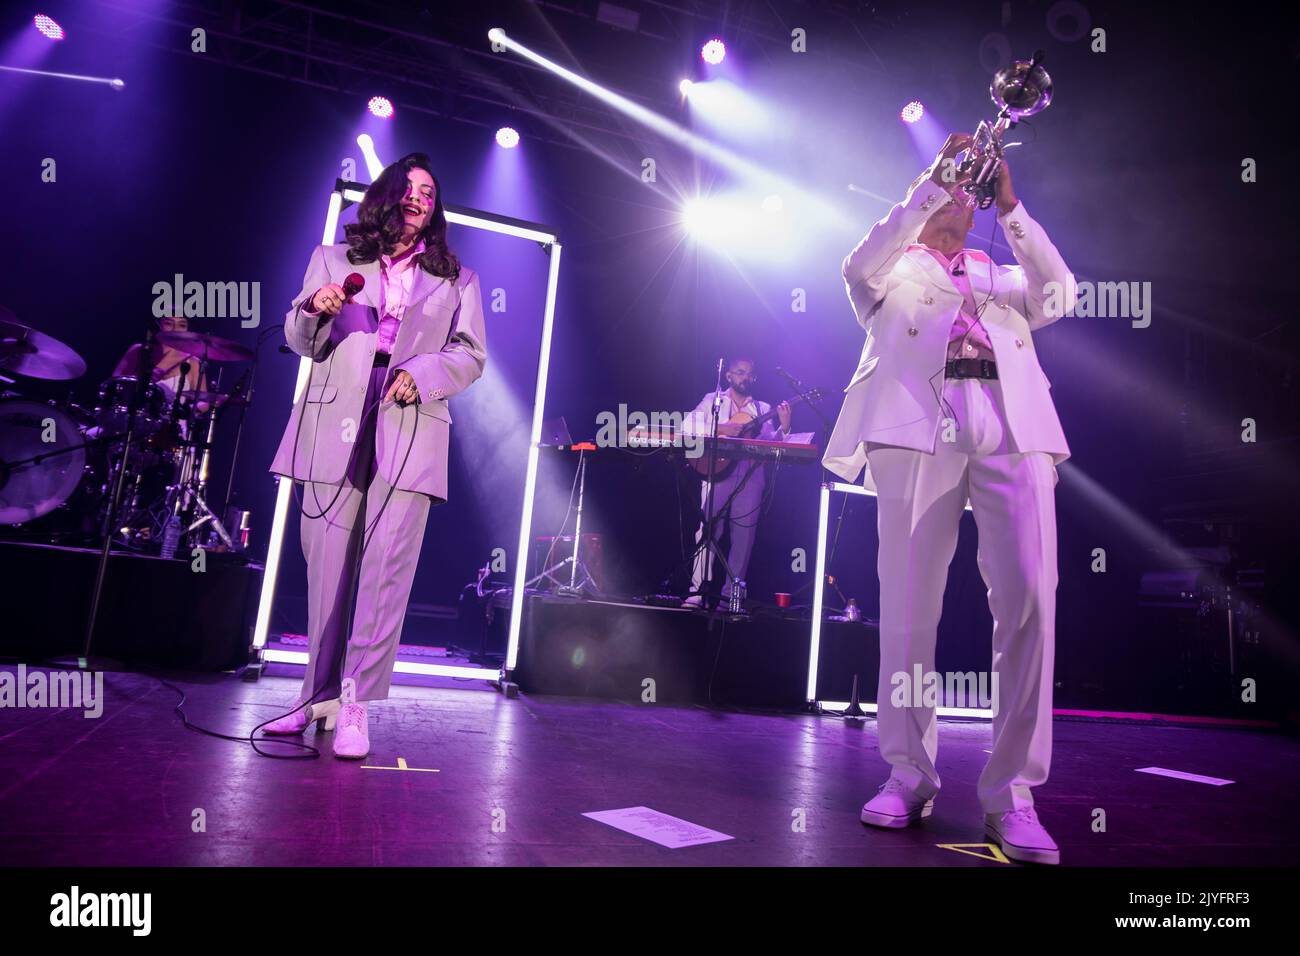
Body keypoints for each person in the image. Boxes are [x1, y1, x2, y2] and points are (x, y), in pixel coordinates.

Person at [822, 133, 1077, 863]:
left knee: (1030, 597)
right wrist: (932, 181)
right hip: (914, 425)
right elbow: (855, 262)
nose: (964, 196)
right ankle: (908, 773)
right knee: (907, 605)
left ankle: (1013, 796)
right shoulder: (890, 268)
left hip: (1010, 423)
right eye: (952, 189)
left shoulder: (1000, 272)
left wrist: (1013, 206)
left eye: (970, 190)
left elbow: (1060, 295)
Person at [263, 152, 487, 759]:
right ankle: (316, 699)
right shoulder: (335, 259)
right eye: (409, 187)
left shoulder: (457, 278)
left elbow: (470, 353)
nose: (419, 197)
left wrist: (424, 370)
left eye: (429, 191)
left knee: (385, 572)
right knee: (326, 573)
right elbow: (300, 338)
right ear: (387, 196)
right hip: (335, 418)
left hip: (410, 425)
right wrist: (315, 310)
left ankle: (356, 705)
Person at [682, 357, 791, 607]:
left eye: (750, 374)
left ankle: (732, 595)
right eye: (740, 373)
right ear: (729, 376)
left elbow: (771, 445)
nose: (745, 378)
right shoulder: (713, 400)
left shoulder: (763, 408)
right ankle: (698, 591)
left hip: (751, 474)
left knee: (744, 536)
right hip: (716, 470)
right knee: (708, 530)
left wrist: (784, 429)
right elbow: (687, 427)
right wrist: (721, 428)